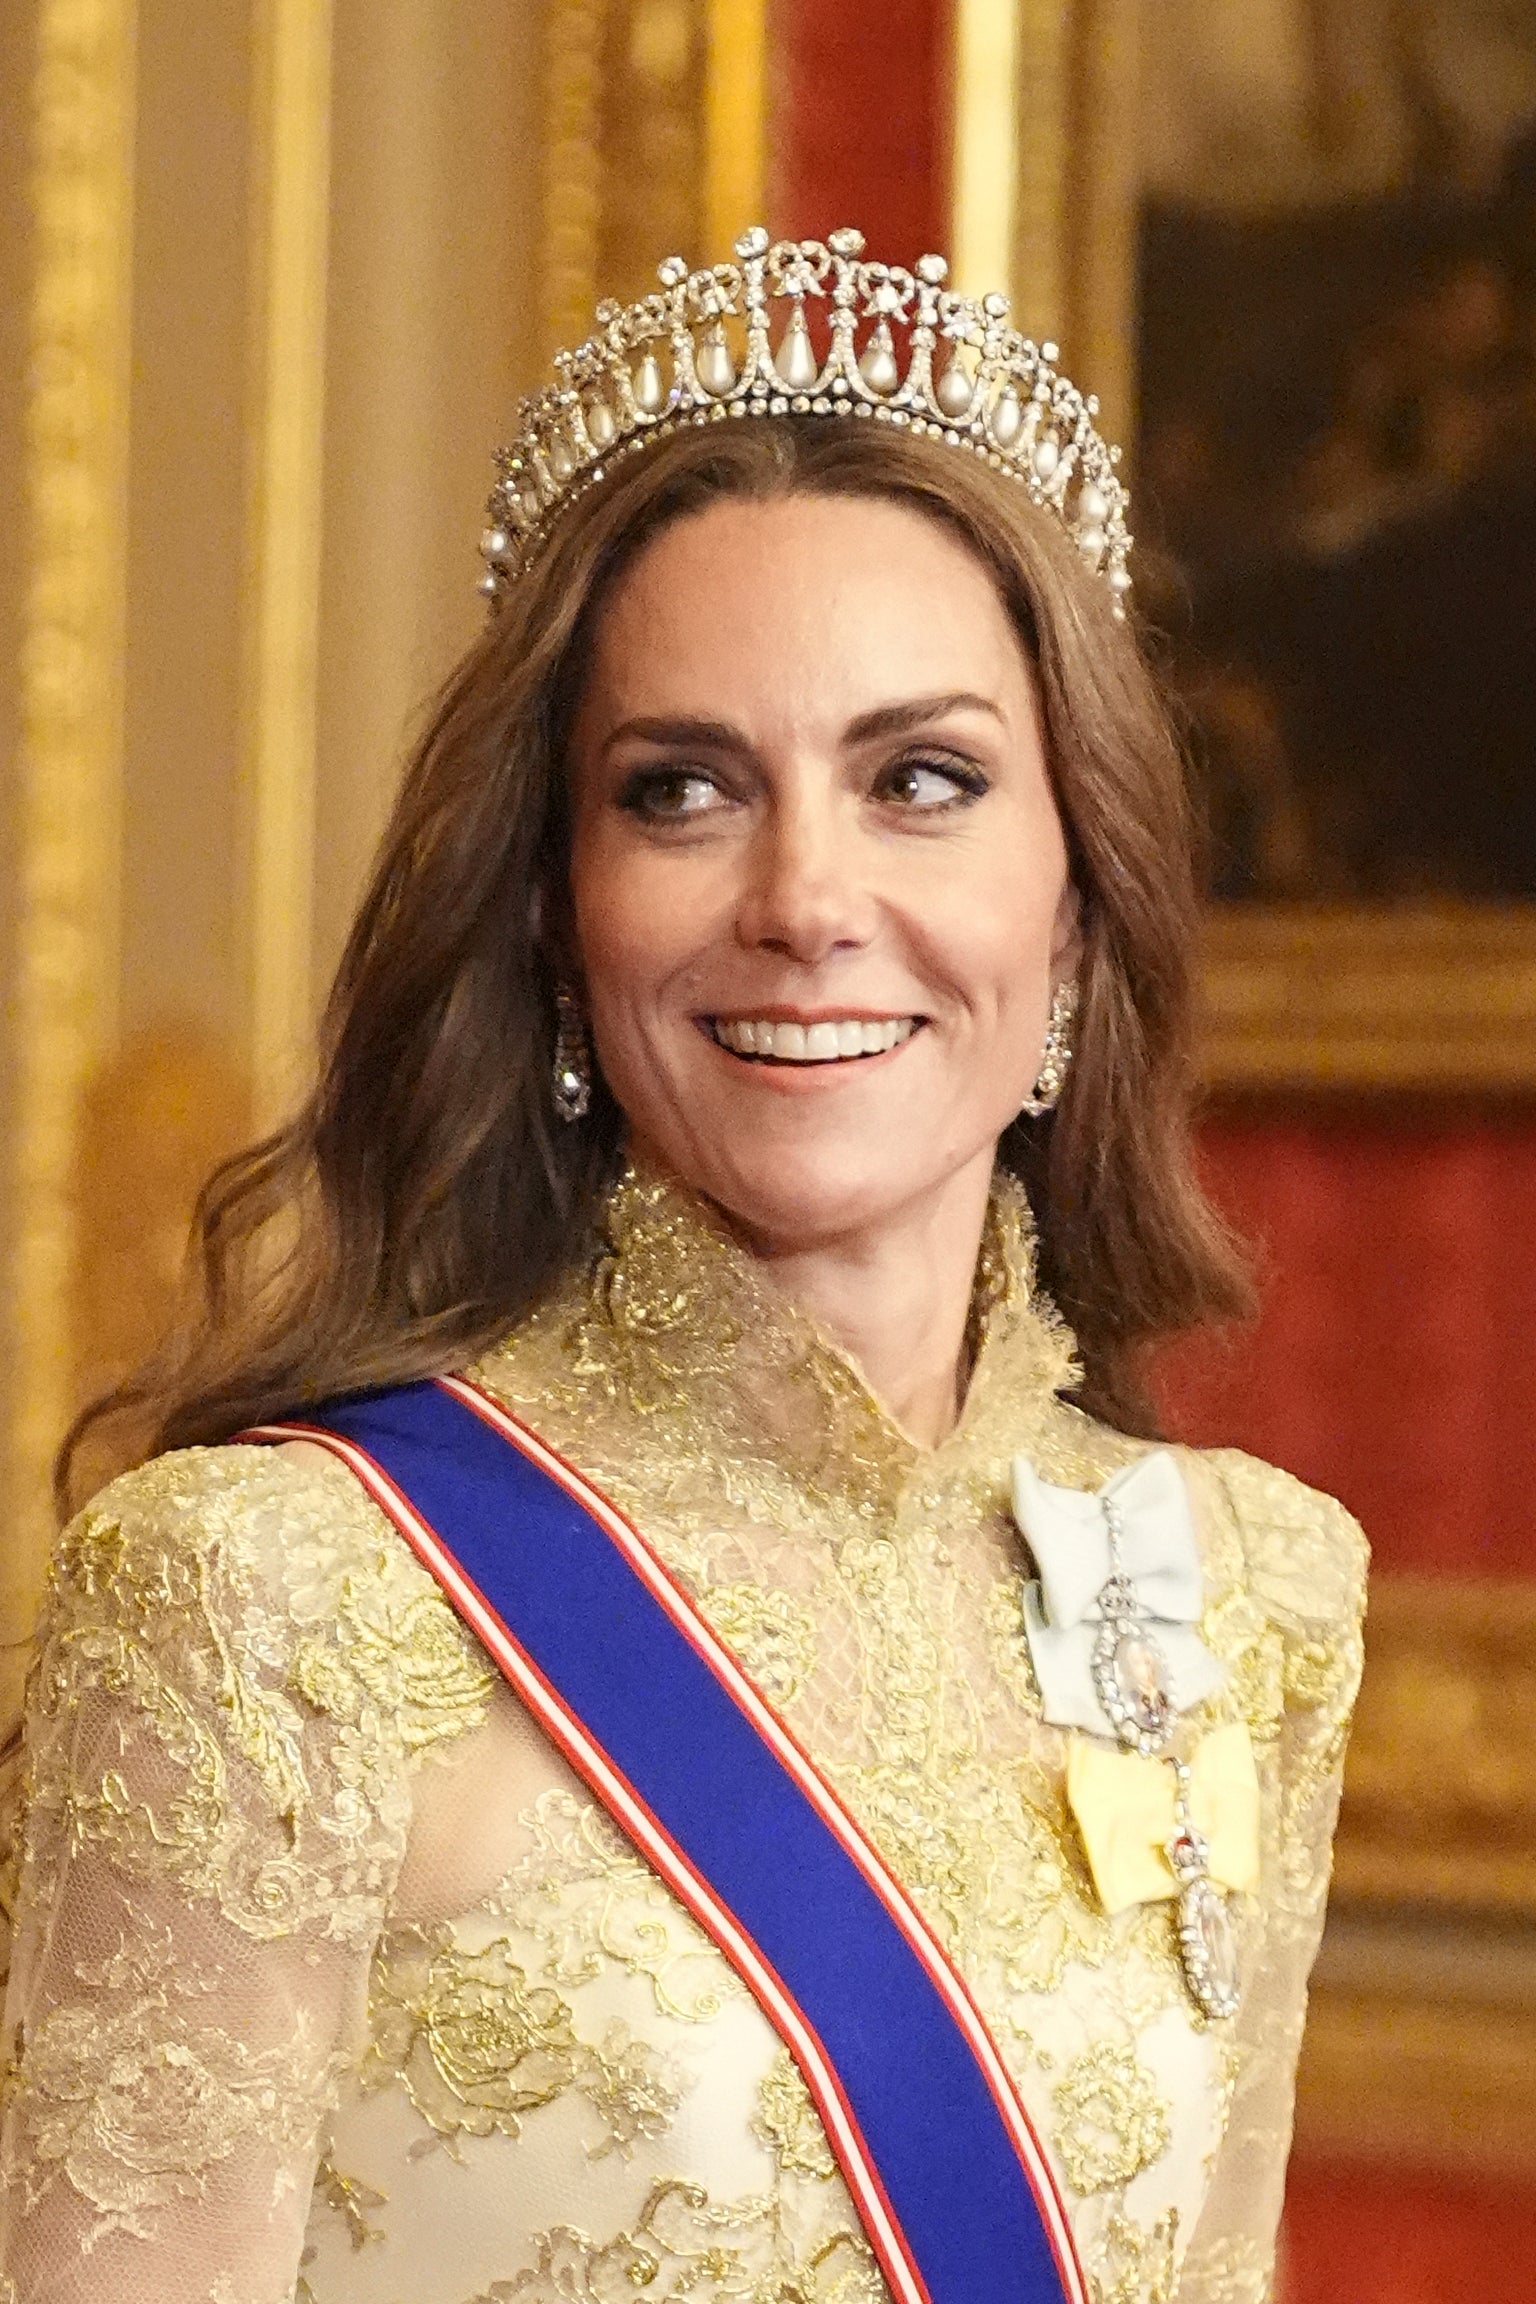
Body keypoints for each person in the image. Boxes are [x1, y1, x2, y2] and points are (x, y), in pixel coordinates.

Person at [0, 229, 1365, 2304]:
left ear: (1076, 912)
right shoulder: (267, 1603)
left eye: (922, 779)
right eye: (683, 791)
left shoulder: (1246, 1591)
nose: (808, 896)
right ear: (559, 924)